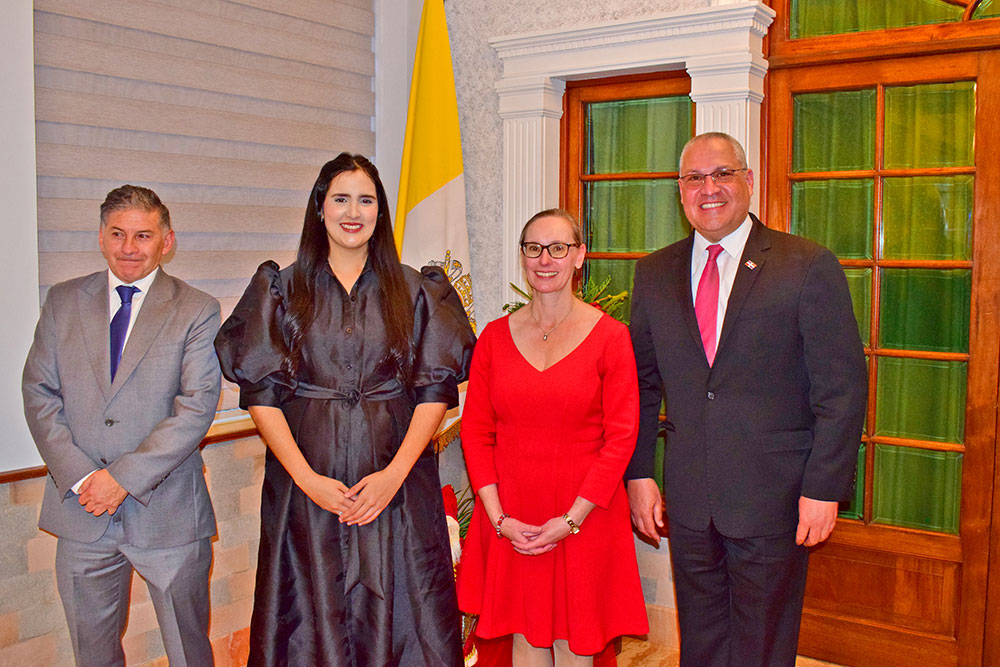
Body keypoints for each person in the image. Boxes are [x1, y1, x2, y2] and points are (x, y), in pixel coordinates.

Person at [215, 152, 475, 666]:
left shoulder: (417, 291)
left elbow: (435, 394)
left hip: (398, 492)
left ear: (380, 212)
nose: (353, 212)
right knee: (310, 626)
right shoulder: (281, 290)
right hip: (307, 490)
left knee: (405, 622)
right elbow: (262, 397)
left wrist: (393, 477)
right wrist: (308, 480)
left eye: (366, 200)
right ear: (320, 208)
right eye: (340, 199)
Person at [626, 132, 868, 667]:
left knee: (762, 646)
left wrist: (824, 488)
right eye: (694, 178)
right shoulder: (654, 273)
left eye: (722, 174)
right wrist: (639, 473)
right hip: (690, 499)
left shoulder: (805, 264)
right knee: (701, 644)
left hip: (774, 498)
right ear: (680, 190)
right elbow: (640, 384)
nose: (708, 189)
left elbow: (841, 389)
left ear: (748, 181)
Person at [22, 185, 221, 666]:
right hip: (82, 511)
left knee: (188, 652)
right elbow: (39, 393)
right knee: (92, 656)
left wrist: (122, 479)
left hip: (169, 514)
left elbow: (196, 407)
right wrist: (85, 478)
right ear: (101, 237)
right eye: (117, 234)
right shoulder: (63, 301)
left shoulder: (197, 308)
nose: (129, 247)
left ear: (166, 241)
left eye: (143, 235)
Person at [458, 209, 648, 666]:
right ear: (522, 256)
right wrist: (499, 519)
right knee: (526, 637)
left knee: (575, 644)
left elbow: (621, 437)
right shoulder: (493, 338)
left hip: (585, 516)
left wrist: (572, 520)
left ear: (579, 256)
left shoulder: (611, 337)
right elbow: (476, 432)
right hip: (512, 518)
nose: (545, 260)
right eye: (534, 248)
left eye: (558, 248)